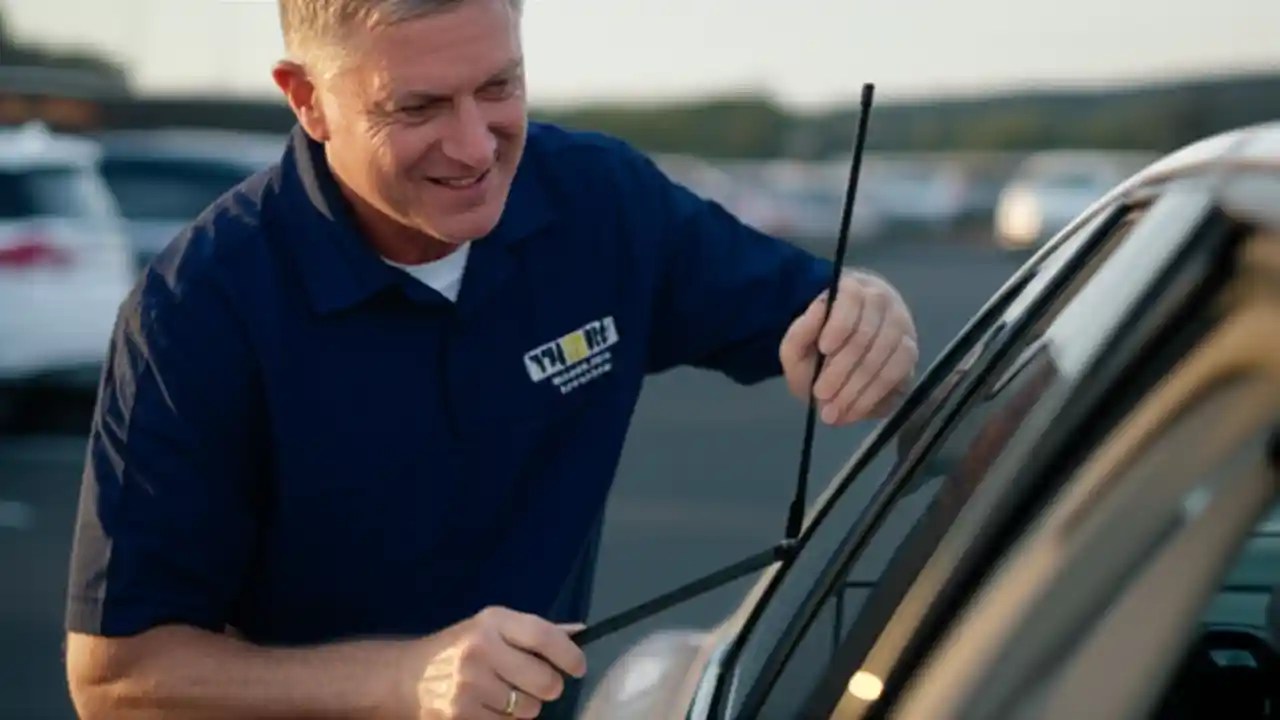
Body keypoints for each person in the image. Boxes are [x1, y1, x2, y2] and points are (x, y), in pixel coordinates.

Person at [62, 0, 919, 718]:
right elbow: (115, 677)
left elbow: (817, 311)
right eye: (419, 107)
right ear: (308, 99)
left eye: (498, 87)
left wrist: (868, 311)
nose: (475, 149)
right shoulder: (199, 309)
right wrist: (404, 679)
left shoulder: (601, 204)